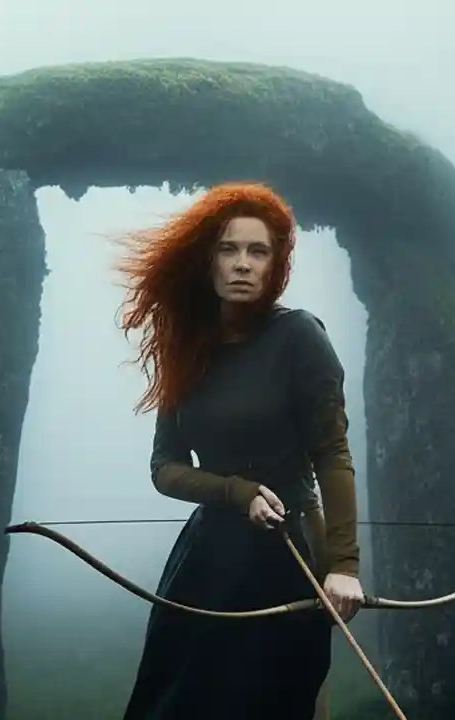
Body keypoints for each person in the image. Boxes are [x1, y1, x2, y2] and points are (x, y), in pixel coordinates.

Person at [114, 182, 364, 719]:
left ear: (277, 265)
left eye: (258, 251)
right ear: (208, 261)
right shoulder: (188, 345)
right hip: (207, 559)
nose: (243, 264)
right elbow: (166, 467)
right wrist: (236, 492)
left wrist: (342, 566)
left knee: (271, 702)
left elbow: (333, 455)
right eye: (229, 250)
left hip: (289, 551)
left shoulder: (299, 336)